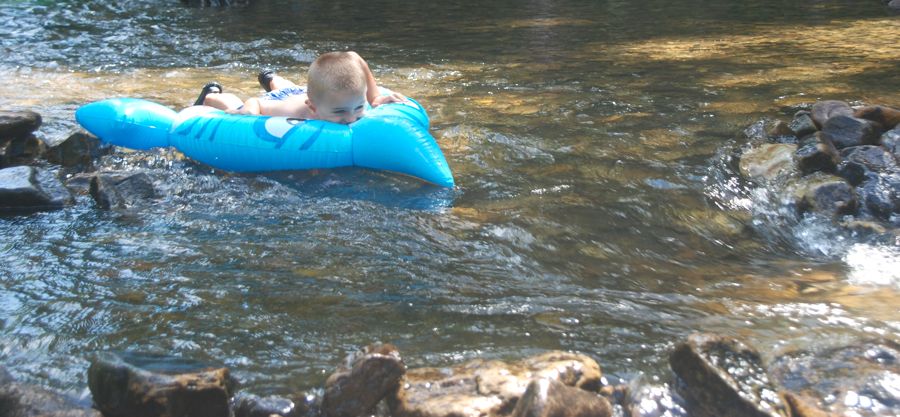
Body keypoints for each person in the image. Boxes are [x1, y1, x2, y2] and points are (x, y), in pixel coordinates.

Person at [193, 51, 407, 124]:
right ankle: (211, 95)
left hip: (299, 92)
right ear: (313, 108)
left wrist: (375, 97)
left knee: (293, 88)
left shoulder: (337, 101)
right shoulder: (297, 112)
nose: (351, 119)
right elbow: (257, 102)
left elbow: (354, 58)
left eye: (358, 108)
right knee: (238, 106)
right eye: (340, 112)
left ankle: (270, 78)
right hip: (281, 100)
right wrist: (249, 113)